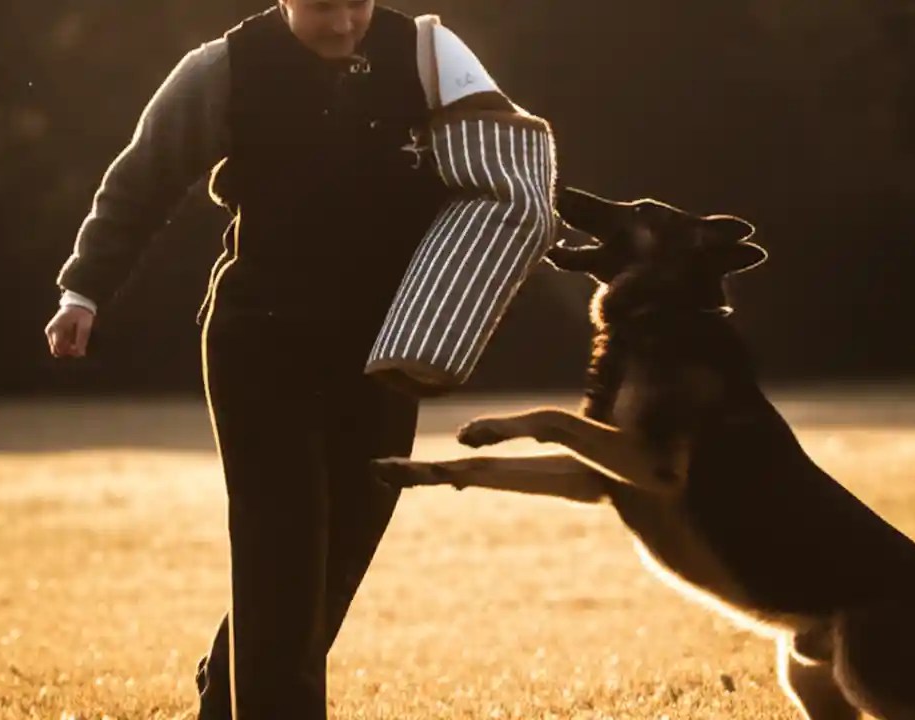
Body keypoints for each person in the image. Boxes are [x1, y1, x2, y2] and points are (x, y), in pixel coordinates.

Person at [42, 2, 545, 717]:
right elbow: (142, 180)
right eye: (321, 6)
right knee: (279, 549)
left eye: (356, 3)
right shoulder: (224, 69)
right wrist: (83, 290)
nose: (343, 23)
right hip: (261, 343)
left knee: (339, 558)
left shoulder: (430, 57)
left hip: (384, 352)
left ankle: (226, 694)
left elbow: (504, 172)